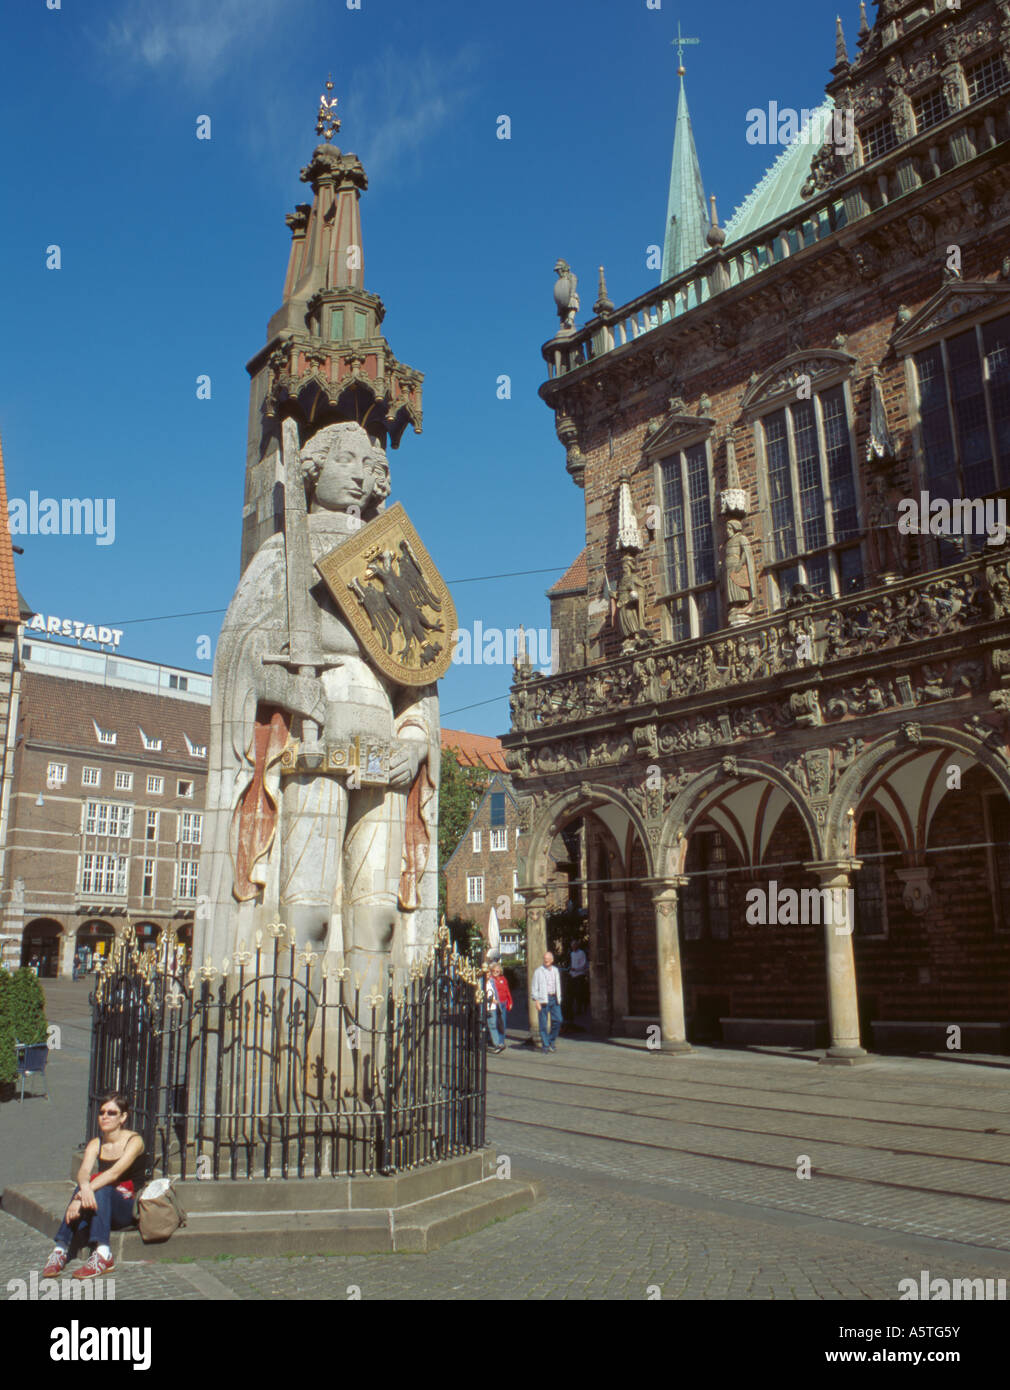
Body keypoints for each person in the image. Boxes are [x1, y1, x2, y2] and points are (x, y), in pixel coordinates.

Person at [42, 1091, 145, 1280]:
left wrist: (80, 1196)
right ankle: (60, 1250)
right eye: (102, 1112)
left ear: (123, 1117)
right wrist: (83, 1189)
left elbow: (114, 1173)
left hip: (128, 1208)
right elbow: (83, 1172)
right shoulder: (96, 1143)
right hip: (101, 1206)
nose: (105, 1116)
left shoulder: (134, 1141)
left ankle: (103, 1254)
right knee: (88, 1185)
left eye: (112, 1113)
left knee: (101, 1187)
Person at [531, 950, 562, 1053]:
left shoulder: (556, 970)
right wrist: (536, 1001)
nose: (546, 960)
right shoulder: (538, 971)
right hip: (543, 999)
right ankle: (545, 1045)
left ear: (552, 960)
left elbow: (558, 985)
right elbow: (534, 987)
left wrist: (559, 997)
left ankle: (551, 1041)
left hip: (554, 998)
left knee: (558, 1020)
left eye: (548, 959)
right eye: (545, 959)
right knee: (543, 1024)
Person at [487, 962, 512, 1054]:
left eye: (497, 970)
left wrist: (510, 1001)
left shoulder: (503, 979)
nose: (496, 971)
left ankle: (501, 1041)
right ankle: (496, 1041)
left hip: (503, 1003)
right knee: (494, 1022)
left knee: (502, 1022)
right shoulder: (490, 980)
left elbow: (507, 991)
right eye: (494, 970)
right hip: (495, 1004)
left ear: (500, 971)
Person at [569, 939, 588, 1018]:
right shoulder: (572, 954)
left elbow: (583, 964)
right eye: (572, 946)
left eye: (574, 946)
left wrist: (576, 969)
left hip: (580, 974)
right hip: (573, 975)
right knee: (575, 993)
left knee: (580, 992)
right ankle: (576, 1008)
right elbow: (572, 963)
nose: (573, 947)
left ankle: (581, 1008)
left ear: (577, 946)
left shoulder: (581, 953)